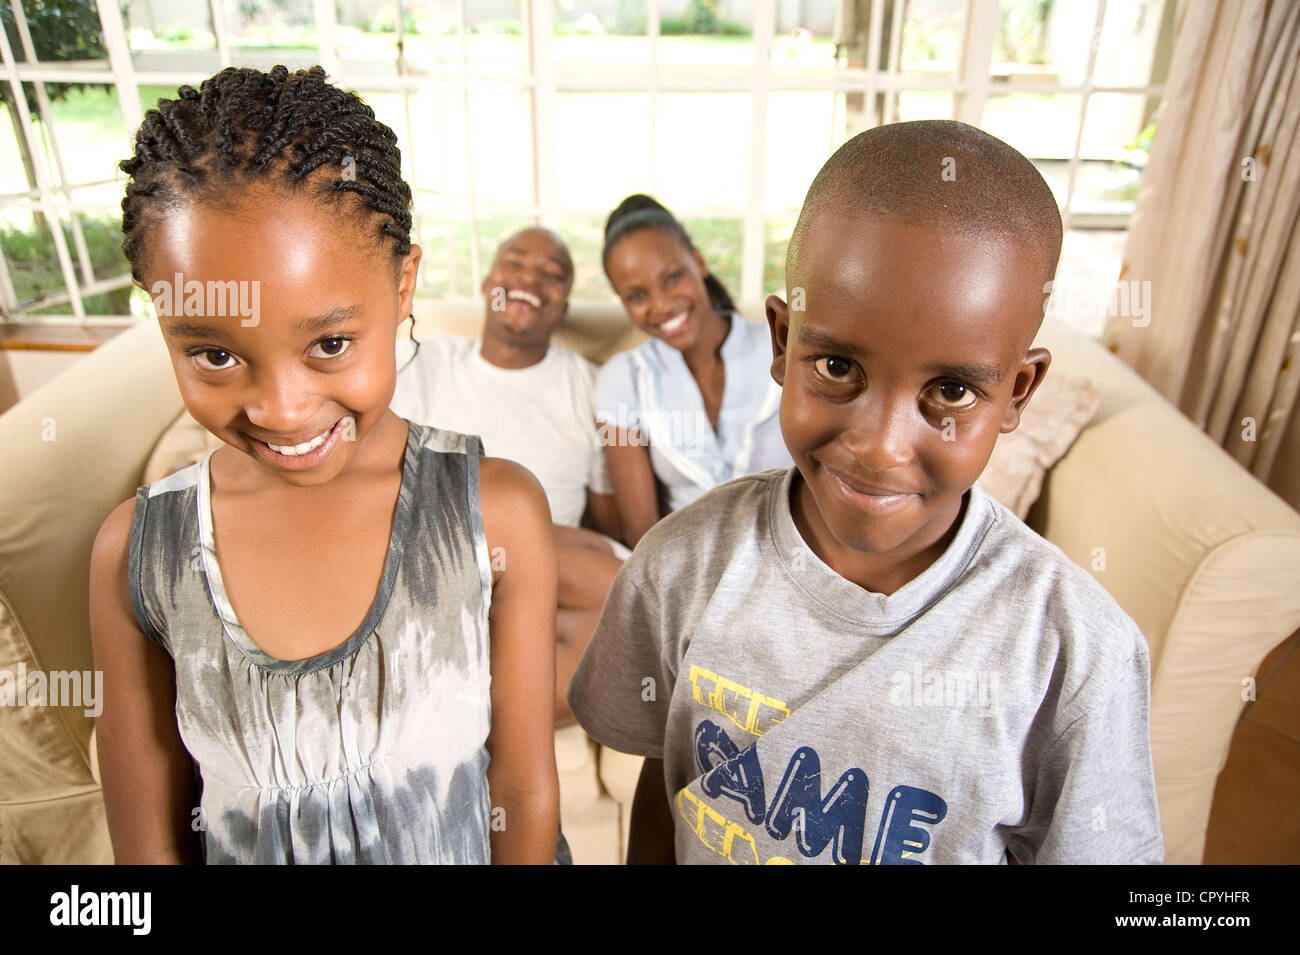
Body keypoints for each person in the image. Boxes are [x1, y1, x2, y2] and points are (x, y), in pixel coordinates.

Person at [569, 120, 1164, 865]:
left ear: (1017, 391)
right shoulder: (678, 568)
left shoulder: (1074, 653)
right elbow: (667, 790)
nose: (880, 447)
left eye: (950, 389)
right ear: (782, 343)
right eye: (839, 367)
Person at [89, 65, 559, 864]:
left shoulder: (497, 512)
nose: (281, 407)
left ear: (403, 284)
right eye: (212, 352)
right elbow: (148, 842)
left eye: (330, 344)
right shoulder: (138, 555)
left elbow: (521, 787)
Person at [391, 226, 625, 724]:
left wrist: (603, 549)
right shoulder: (418, 361)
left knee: (625, 649)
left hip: (535, 585)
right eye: (515, 263)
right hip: (438, 551)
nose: (530, 280)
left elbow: (607, 519)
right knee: (644, 606)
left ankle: (449, 693)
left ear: (564, 304)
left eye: (552, 274)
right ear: (487, 281)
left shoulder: (586, 383)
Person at [595, 195, 791, 547]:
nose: (661, 305)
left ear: (698, 262)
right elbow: (642, 531)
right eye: (637, 296)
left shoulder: (783, 343)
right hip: (688, 570)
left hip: (792, 558)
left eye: (672, 277)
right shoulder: (622, 379)